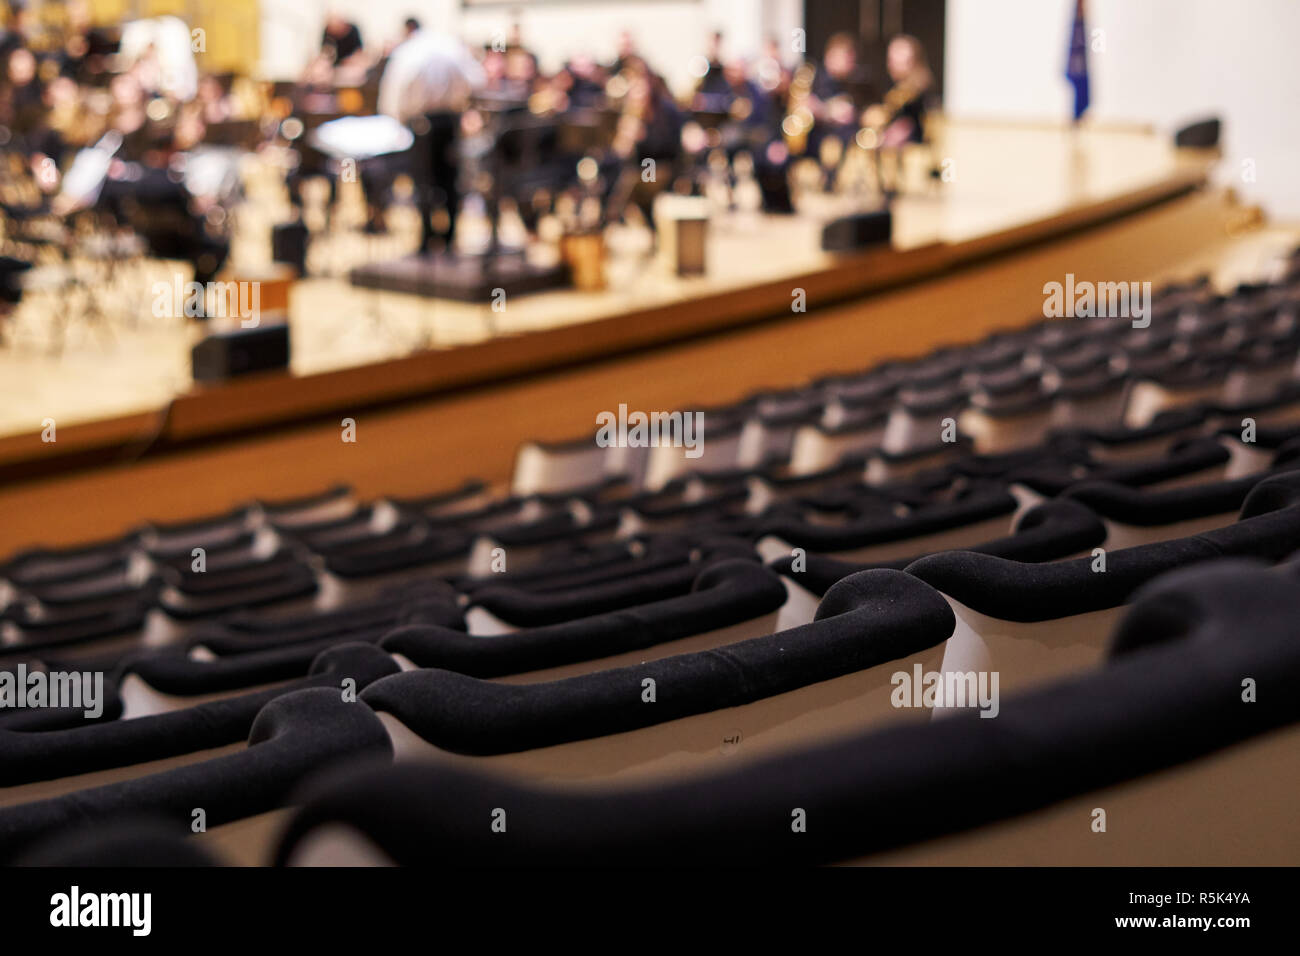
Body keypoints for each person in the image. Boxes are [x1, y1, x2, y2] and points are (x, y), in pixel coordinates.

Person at [378, 26, 485, 253]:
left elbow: (394, 95)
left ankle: (427, 238)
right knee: (450, 180)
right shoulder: (452, 48)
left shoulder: (408, 52)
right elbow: (477, 81)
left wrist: (395, 121)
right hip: (449, 122)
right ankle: (450, 236)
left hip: (422, 125)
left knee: (424, 182)